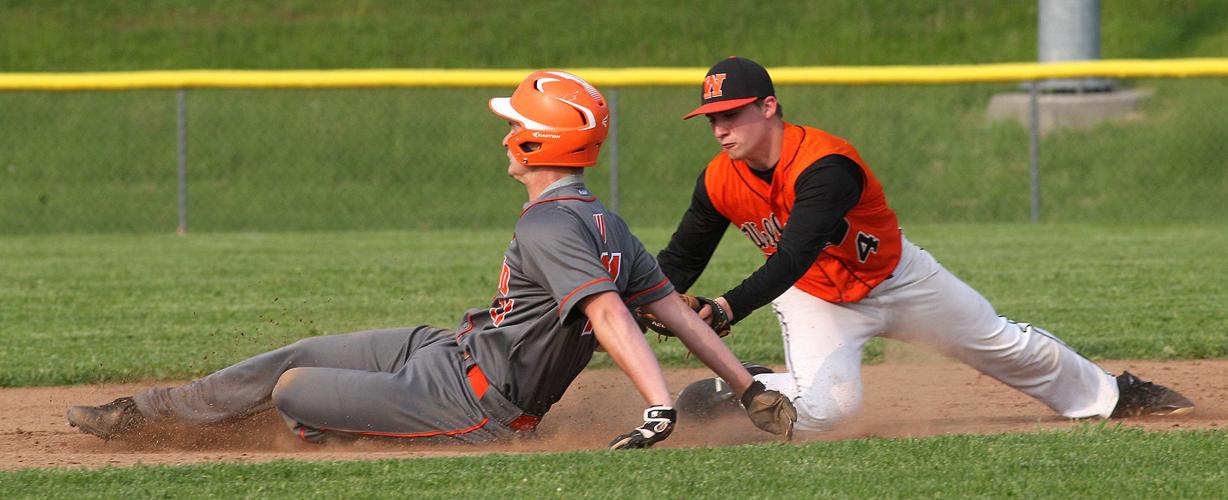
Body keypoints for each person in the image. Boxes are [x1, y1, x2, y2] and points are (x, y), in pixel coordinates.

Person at [66, 70, 795, 449]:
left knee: (292, 390)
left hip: (473, 406)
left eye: (515, 126)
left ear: (536, 144)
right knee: (297, 355)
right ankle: (149, 414)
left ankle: (306, 425)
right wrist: (748, 388)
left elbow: (610, 313)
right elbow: (675, 314)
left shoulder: (552, 225)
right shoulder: (606, 222)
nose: (506, 136)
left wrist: (659, 404)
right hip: (449, 352)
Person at [656, 56, 1194, 432]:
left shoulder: (825, 165)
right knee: (826, 416)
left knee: (1002, 344)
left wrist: (725, 307)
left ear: (769, 107)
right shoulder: (718, 180)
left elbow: (793, 254)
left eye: (733, 114)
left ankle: (1114, 393)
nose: (721, 129)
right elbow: (683, 258)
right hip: (817, 298)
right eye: (713, 119)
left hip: (898, 277)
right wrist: (641, 299)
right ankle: (740, 388)